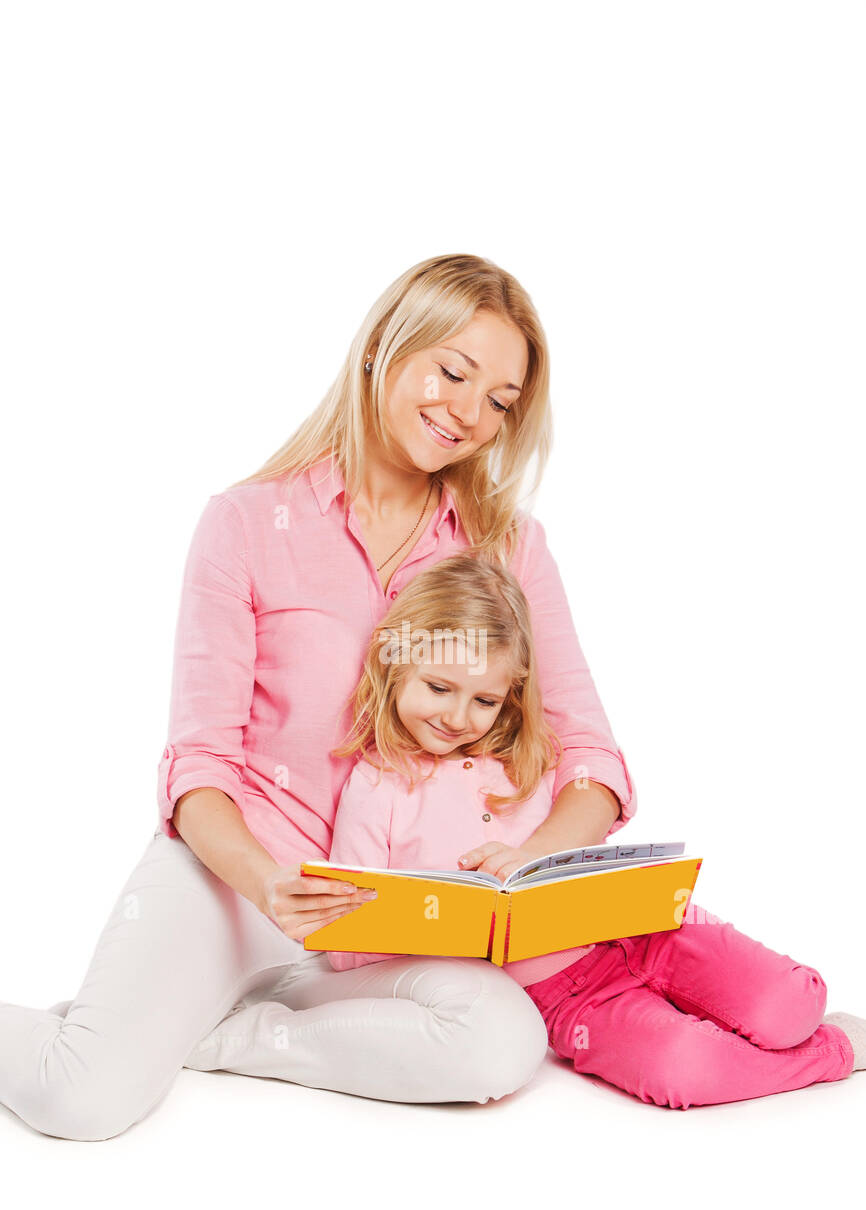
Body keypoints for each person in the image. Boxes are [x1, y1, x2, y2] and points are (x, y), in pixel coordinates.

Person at [0, 252, 636, 1140]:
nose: (468, 413)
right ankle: (172, 1004)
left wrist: (535, 861)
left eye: (499, 400)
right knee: (83, 1097)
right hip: (241, 874)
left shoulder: (511, 548)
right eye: (453, 371)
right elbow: (199, 763)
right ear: (383, 345)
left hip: (396, 921)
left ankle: (224, 1033)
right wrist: (266, 883)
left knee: (497, 1044)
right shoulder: (247, 523)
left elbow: (593, 759)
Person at [254, 552, 862, 1111]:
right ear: (395, 666)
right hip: (570, 1000)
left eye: (485, 700)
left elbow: (597, 801)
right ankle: (834, 1055)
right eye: (439, 688)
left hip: (652, 931)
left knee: (793, 1002)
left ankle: (792, 1032)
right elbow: (348, 947)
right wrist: (449, 913)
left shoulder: (533, 757)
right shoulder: (378, 785)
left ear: (510, 695)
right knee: (684, 1068)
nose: (458, 718)